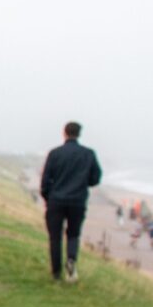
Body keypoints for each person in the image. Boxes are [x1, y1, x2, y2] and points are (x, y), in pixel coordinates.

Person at [40, 121, 102, 282]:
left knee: (55, 237)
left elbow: (45, 180)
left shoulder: (55, 154)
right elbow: (96, 178)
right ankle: (71, 259)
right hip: (78, 201)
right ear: (79, 134)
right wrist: (82, 183)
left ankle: (56, 273)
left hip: (56, 200)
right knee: (73, 234)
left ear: (64, 133)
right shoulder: (88, 154)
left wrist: (48, 197)